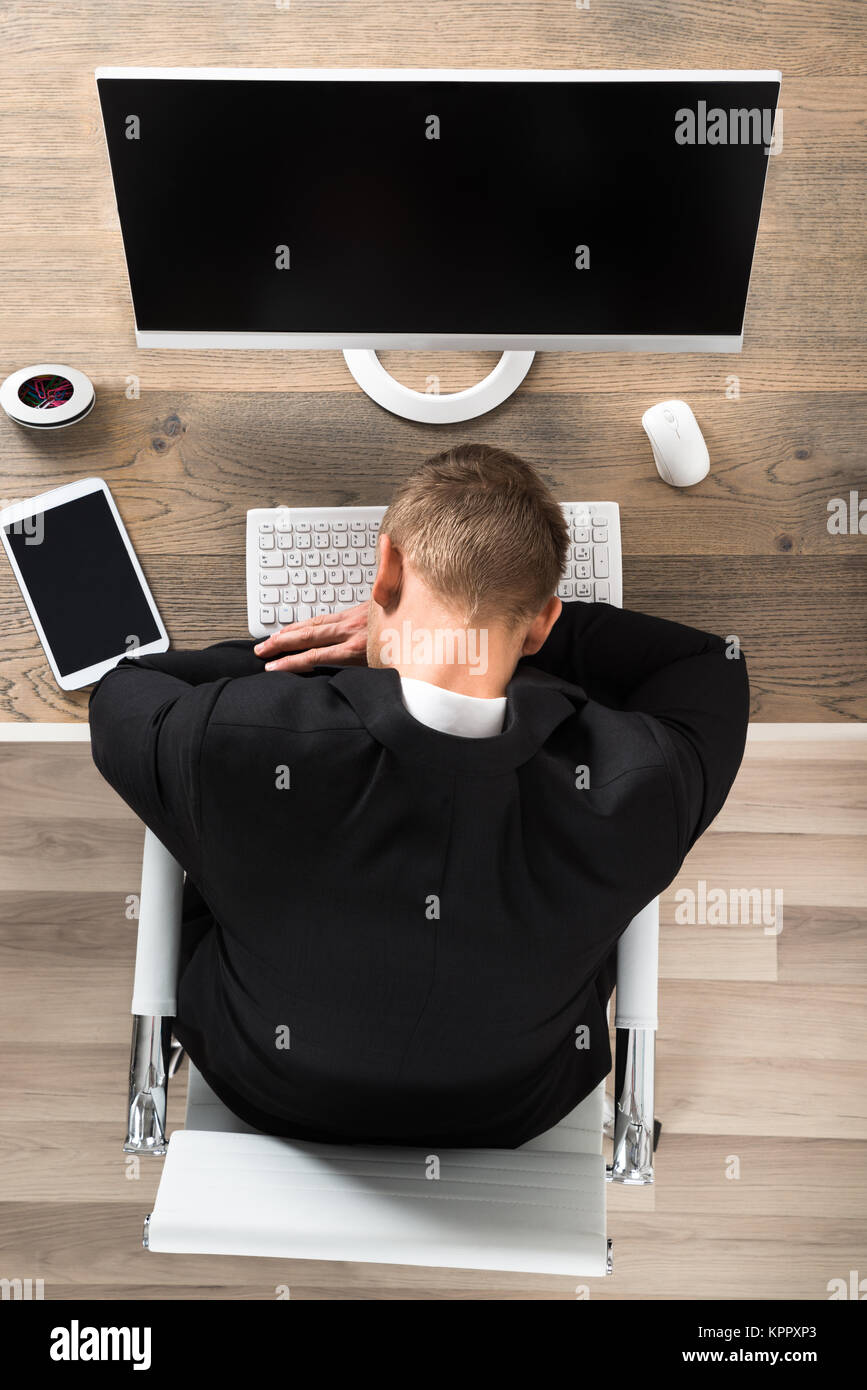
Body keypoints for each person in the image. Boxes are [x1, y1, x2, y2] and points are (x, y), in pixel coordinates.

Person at [89, 444, 749, 1148]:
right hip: (512, 1107)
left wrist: (322, 662)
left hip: (265, 1084)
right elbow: (707, 663)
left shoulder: (226, 741)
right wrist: (511, 625)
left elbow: (124, 687)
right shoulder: (644, 783)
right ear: (545, 624)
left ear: (385, 570)